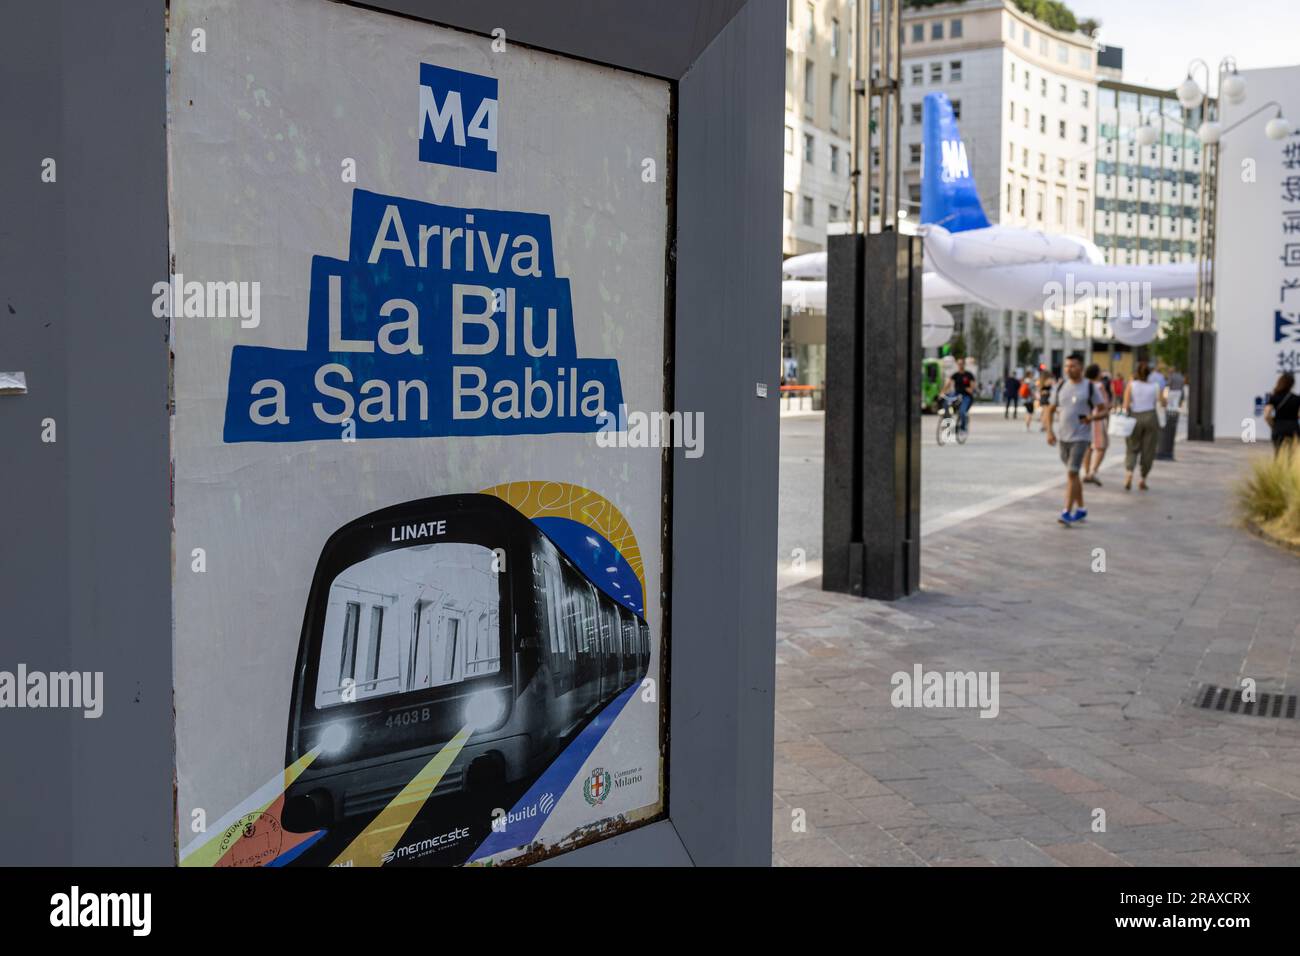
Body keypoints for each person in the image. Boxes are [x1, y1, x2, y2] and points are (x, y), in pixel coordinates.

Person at [1046, 353, 1105, 525]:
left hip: (1082, 436)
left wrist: (1091, 418)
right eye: (1066, 366)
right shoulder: (1061, 386)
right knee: (1074, 475)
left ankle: (1066, 512)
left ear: (1081, 367)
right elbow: (1049, 409)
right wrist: (1049, 431)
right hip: (1064, 437)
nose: (1068, 369)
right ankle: (1081, 509)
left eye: (1072, 366)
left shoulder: (1089, 387)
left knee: (1072, 472)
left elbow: (1103, 410)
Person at [1122, 360, 1165, 491]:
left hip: (1135, 416)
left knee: (1132, 447)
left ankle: (1129, 472)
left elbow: (1125, 404)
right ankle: (1143, 478)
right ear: (1149, 374)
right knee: (1149, 449)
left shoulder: (1132, 385)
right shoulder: (1155, 386)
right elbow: (1162, 402)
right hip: (1151, 417)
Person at [1080, 363, 1111, 485]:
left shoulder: (1084, 385)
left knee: (1088, 447)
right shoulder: (1099, 386)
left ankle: (1085, 471)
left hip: (1085, 418)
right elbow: (1105, 405)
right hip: (1097, 419)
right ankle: (1092, 472)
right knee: (1101, 447)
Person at [1264, 372, 1300, 453]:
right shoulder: (1297, 398)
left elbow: (1266, 415)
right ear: (1292, 384)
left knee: (1278, 454)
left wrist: (1273, 425)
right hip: (1293, 428)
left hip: (1279, 428)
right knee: (1292, 456)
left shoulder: (1274, 397)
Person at [943, 358, 976, 433]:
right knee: (946, 402)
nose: (960, 365)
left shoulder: (969, 375)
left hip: (966, 396)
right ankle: (948, 422)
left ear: (964, 364)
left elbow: (972, 387)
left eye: (961, 364)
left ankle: (963, 427)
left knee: (962, 412)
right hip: (956, 394)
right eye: (959, 364)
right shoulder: (955, 374)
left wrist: (970, 389)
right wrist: (942, 392)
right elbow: (948, 384)